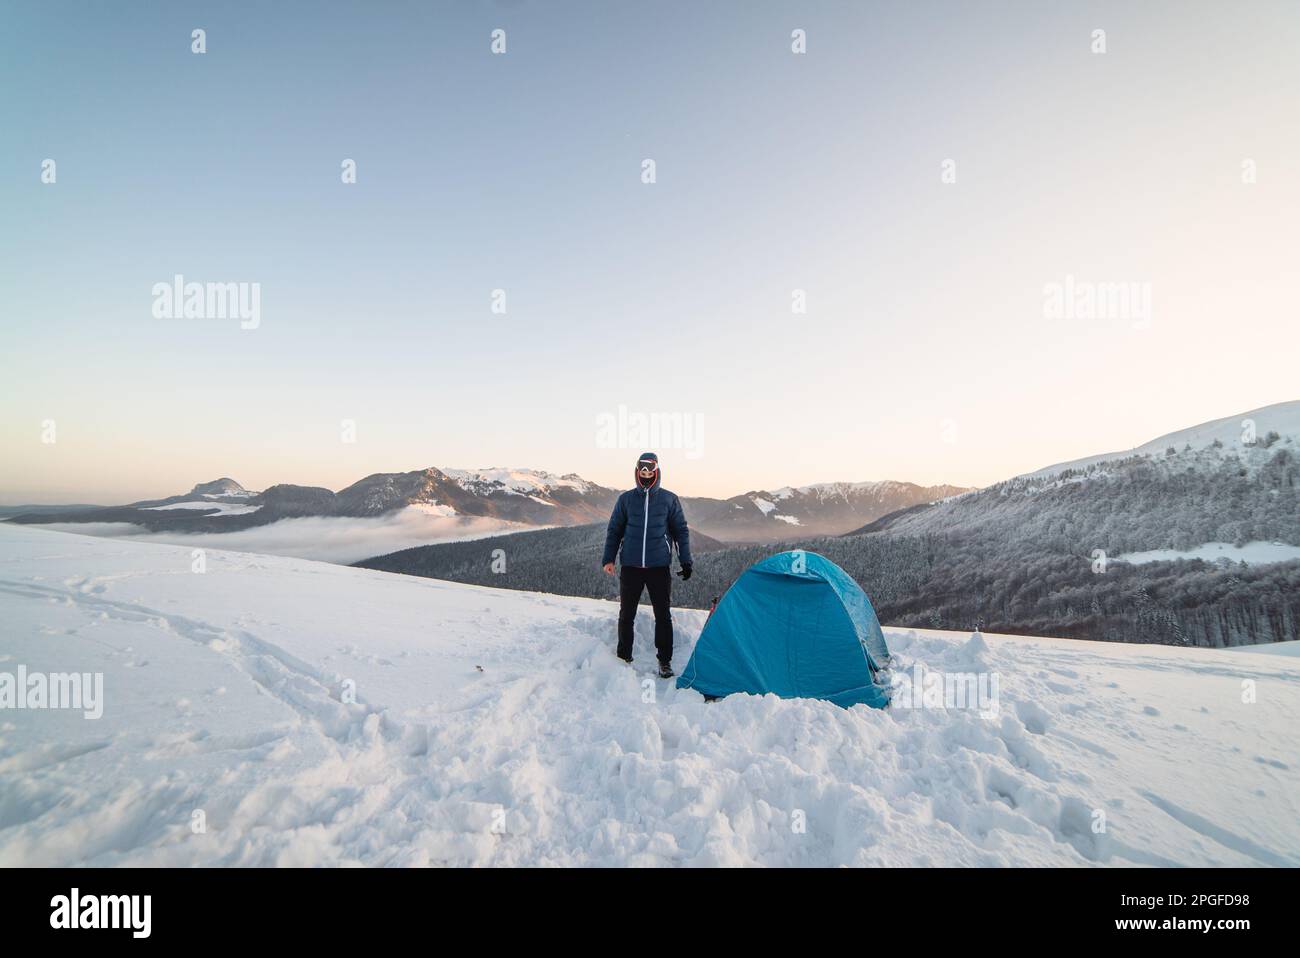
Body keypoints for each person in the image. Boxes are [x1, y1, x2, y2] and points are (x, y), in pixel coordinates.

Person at [601, 452, 692, 677]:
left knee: (663, 615)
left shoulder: (669, 499)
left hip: (658, 566)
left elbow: (680, 531)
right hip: (631, 566)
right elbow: (615, 530)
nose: (645, 473)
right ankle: (624, 657)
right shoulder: (626, 499)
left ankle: (664, 661)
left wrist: (686, 560)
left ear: (657, 471)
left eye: (650, 469)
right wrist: (609, 558)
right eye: (642, 469)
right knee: (626, 614)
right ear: (637, 470)